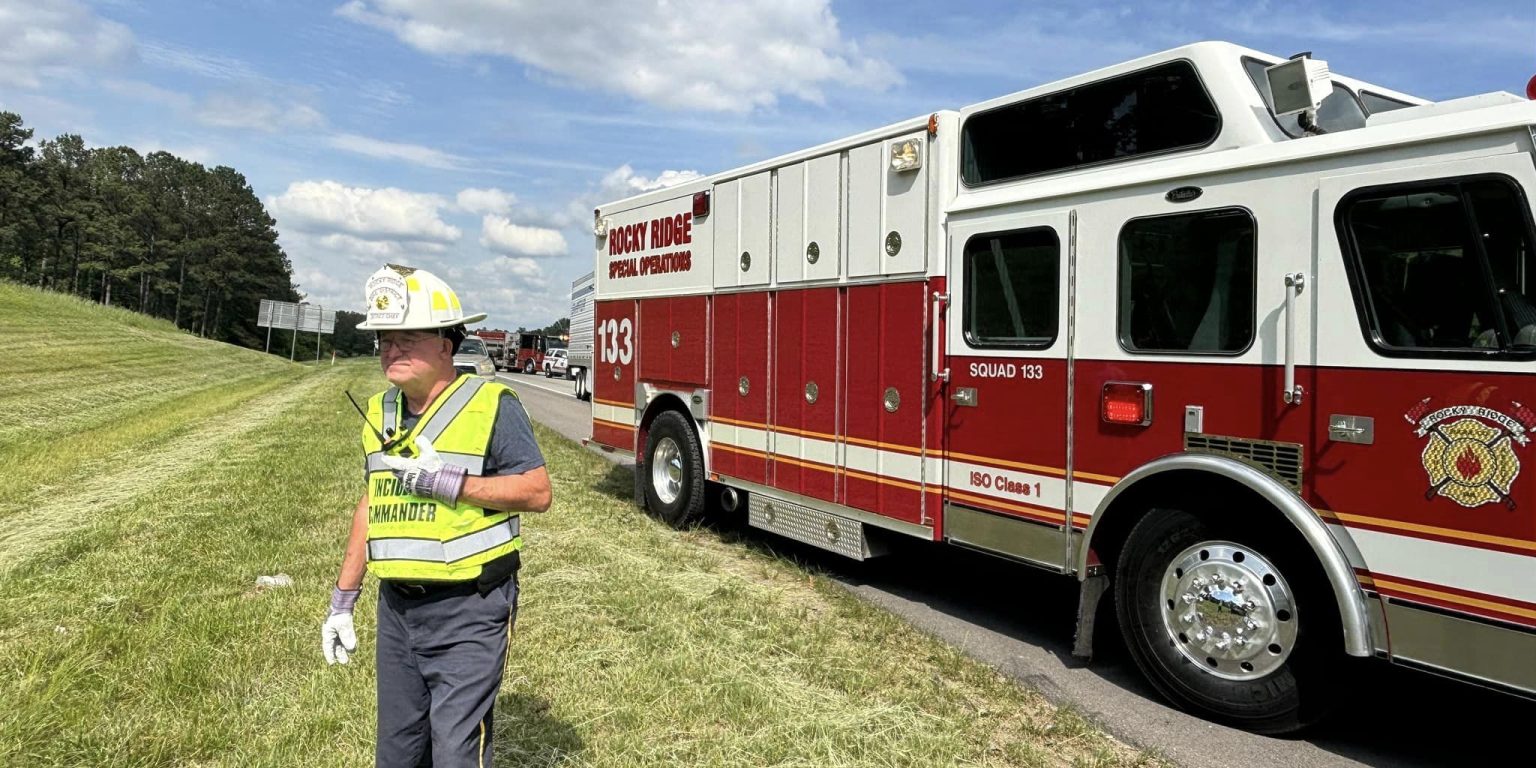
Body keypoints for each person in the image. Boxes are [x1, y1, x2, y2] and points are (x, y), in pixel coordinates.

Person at [322, 263, 552, 768]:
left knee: (455, 752)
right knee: (397, 752)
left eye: (407, 338)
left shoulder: (492, 405)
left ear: (446, 344)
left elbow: (537, 492)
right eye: (385, 339)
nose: (391, 349)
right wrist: (343, 600)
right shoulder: (380, 413)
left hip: (471, 607)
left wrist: (450, 483)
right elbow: (371, 504)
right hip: (398, 610)